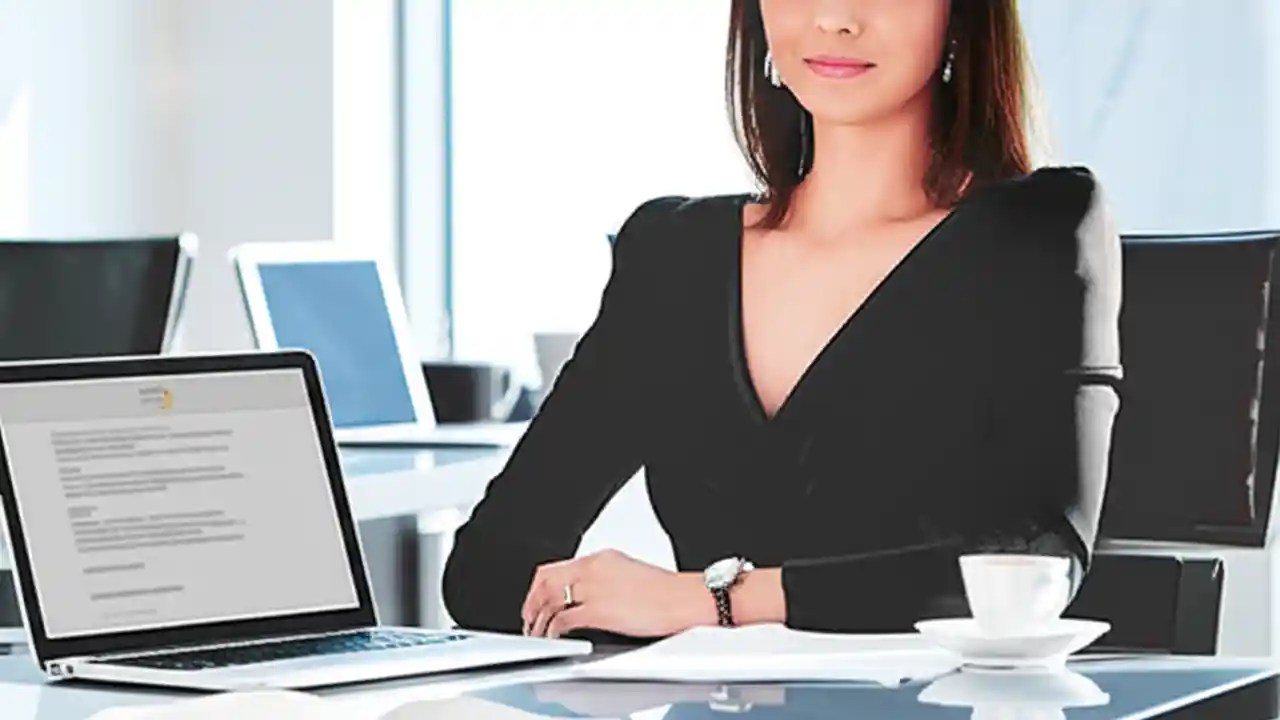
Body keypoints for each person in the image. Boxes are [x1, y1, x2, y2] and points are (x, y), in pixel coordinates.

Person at [443, 0, 1123, 639]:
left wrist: (708, 604)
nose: (833, 18)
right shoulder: (673, 253)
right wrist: (604, 611)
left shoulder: (1040, 231)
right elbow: (486, 570)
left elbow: (1033, 563)